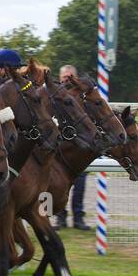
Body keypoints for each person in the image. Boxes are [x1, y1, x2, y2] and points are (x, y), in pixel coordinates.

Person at [54, 64, 89, 230]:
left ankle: (78, 217)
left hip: (78, 151)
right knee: (51, 187)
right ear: (59, 78)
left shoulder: (82, 97)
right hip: (58, 151)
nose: (66, 80)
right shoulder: (52, 95)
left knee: (80, 185)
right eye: (64, 77)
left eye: (70, 77)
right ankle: (57, 218)